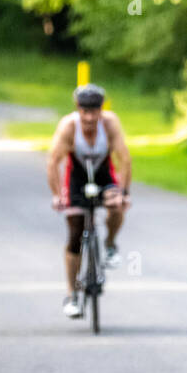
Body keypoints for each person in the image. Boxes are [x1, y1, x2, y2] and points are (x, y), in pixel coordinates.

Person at [47, 83, 132, 318]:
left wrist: (124, 192)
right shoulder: (68, 127)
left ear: (101, 109)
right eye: (85, 111)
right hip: (77, 177)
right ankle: (73, 294)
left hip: (104, 174)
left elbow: (124, 160)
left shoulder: (110, 124)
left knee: (116, 204)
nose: (90, 117)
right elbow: (53, 162)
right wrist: (57, 195)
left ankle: (110, 244)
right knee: (75, 232)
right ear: (77, 109)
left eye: (94, 111)